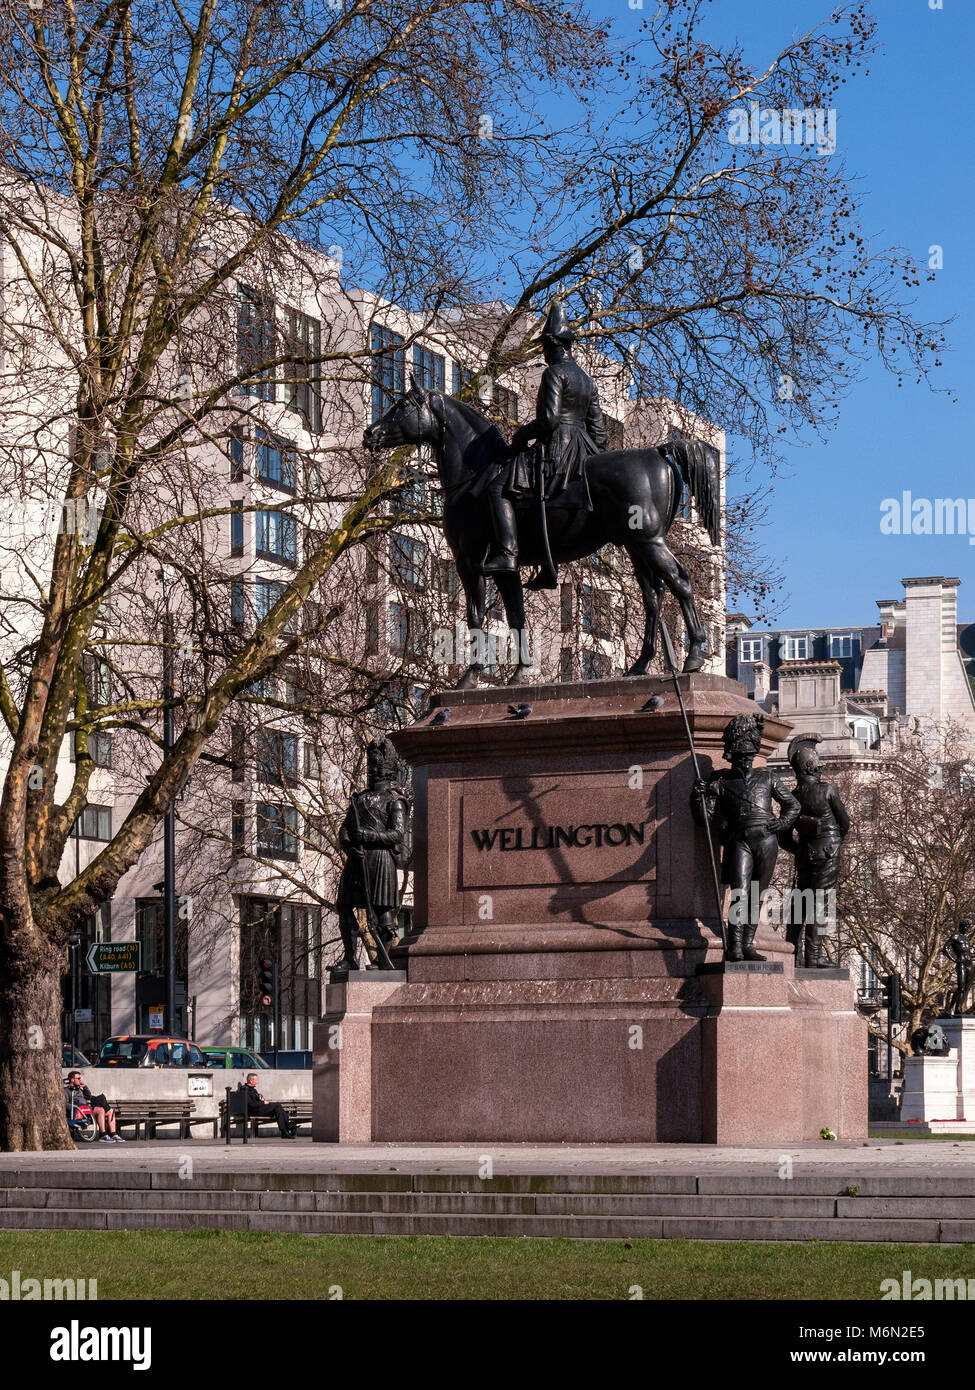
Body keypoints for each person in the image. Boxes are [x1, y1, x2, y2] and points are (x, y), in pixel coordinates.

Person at [477, 299, 608, 580]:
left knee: (498, 487)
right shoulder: (587, 380)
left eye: (545, 346)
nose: (544, 353)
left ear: (553, 344)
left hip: (557, 447)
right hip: (584, 449)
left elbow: (549, 420)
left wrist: (522, 435)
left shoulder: (554, 373)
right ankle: (548, 560)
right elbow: (599, 431)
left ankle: (508, 553)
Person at [691, 713, 800, 962]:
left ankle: (748, 944)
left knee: (757, 894)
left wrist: (781, 823)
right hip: (739, 840)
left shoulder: (768, 777)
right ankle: (735, 945)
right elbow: (704, 819)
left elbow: (792, 805)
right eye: (742, 757)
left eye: (750, 757)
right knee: (740, 892)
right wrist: (699, 797)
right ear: (732, 757)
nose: (746, 762)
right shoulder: (719, 782)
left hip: (766, 839)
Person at [334, 737, 410, 973]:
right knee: (344, 906)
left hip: (380, 860)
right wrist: (348, 845)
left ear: (388, 770)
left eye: (379, 766)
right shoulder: (359, 799)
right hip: (358, 860)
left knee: (383, 916)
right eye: (372, 766)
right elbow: (344, 831)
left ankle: (381, 959)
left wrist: (366, 836)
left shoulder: (395, 800)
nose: (374, 770)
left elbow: (397, 834)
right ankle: (349, 957)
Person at [778, 733, 850, 968]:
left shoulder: (793, 797)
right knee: (820, 902)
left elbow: (784, 835)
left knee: (800, 901)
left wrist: (800, 849)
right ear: (810, 767)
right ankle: (814, 956)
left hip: (805, 854)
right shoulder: (827, 790)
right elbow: (844, 822)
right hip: (828, 852)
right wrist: (833, 842)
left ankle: (793, 952)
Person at [64, 1070, 122, 1142]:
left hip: (86, 1110)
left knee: (110, 1111)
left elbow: (88, 1096)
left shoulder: (79, 1089)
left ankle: (113, 1134)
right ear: (72, 1080)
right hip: (78, 1111)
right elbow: (65, 1104)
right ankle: (103, 1135)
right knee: (101, 1110)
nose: (80, 1080)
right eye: (78, 1079)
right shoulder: (66, 1091)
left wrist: (85, 1087)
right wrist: (76, 1108)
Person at [943, 919, 975, 1017]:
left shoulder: (966, 939)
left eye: (968, 928)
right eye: (966, 927)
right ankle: (950, 1008)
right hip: (961, 963)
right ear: (962, 926)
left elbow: (968, 953)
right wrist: (953, 959)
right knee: (961, 987)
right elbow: (945, 949)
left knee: (967, 988)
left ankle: (958, 1008)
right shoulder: (956, 936)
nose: (967, 929)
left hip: (970, 964)